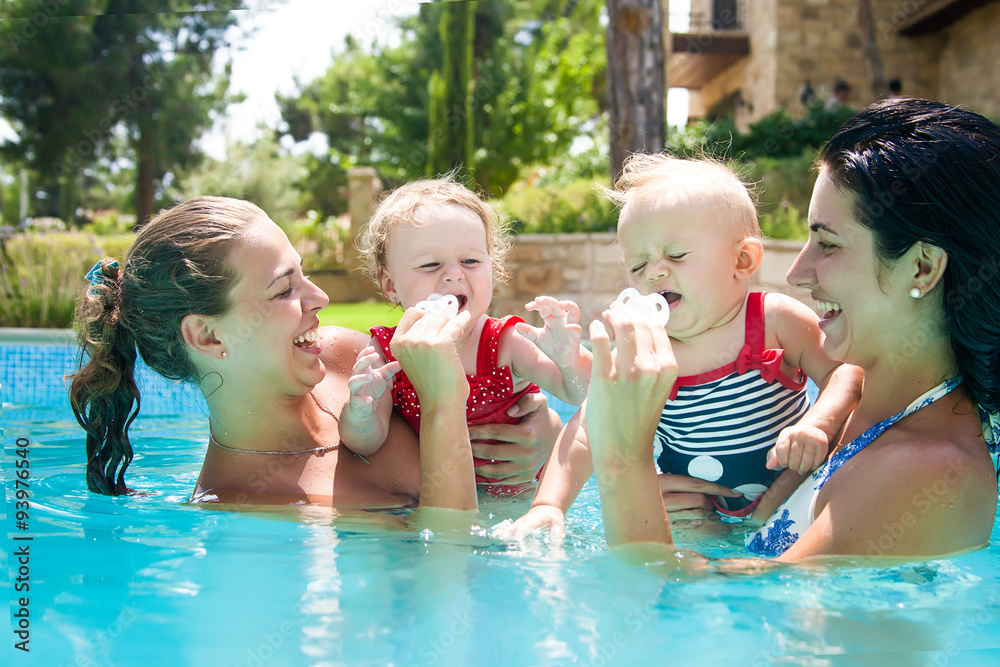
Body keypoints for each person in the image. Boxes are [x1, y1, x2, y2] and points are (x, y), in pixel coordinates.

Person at [586, 98, 1000, 561]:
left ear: (922, 268)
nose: (797, 272)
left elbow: (718, 621)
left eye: (827, 243)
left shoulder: (927, 470)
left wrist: (623, 459)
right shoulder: (868, 412)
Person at [69, 196, 560, 508]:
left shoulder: (345, 356)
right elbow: (450, 566)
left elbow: (501, 407)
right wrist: (443, 400)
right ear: (209, 337)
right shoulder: (256, 505)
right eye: (284, 289)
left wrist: (541, 434)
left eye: (303, 272)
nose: (321, 297)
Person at [510, 155, 863, 535]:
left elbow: (845, 373)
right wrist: (548, 505)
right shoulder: (644, 349)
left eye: (675, 256)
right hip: (694, 520)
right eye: (638, 265)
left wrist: (818, 425)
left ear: (742, 260)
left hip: (793, 504)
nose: (654, 272)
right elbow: (588, 428)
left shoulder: (774, 321)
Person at [339, 178, 591, 489]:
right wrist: (361, 414)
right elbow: (366, 443)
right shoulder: (389, 353)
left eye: (470, 261)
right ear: (390, 285)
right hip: (435, 498)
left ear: (492, 268)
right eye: (431, 265)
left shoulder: (504, 341)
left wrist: (567, 359)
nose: (454, 274)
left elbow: (579, 393)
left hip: (516, 503)